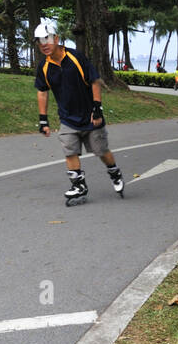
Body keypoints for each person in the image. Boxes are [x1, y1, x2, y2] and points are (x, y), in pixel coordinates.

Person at [33, 18, 123, 205]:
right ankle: (79, 185)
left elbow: (94, 81)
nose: (44, 45)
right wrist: (43, 120)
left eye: (47, 39)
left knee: (102, 151)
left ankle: (114, 171)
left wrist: (97, 108)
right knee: (70, 151)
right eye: (40, 41)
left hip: (90, 117)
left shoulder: (76, 57)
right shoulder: (44, 67)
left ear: (56, 39)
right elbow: (42, 92)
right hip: (67, 119)